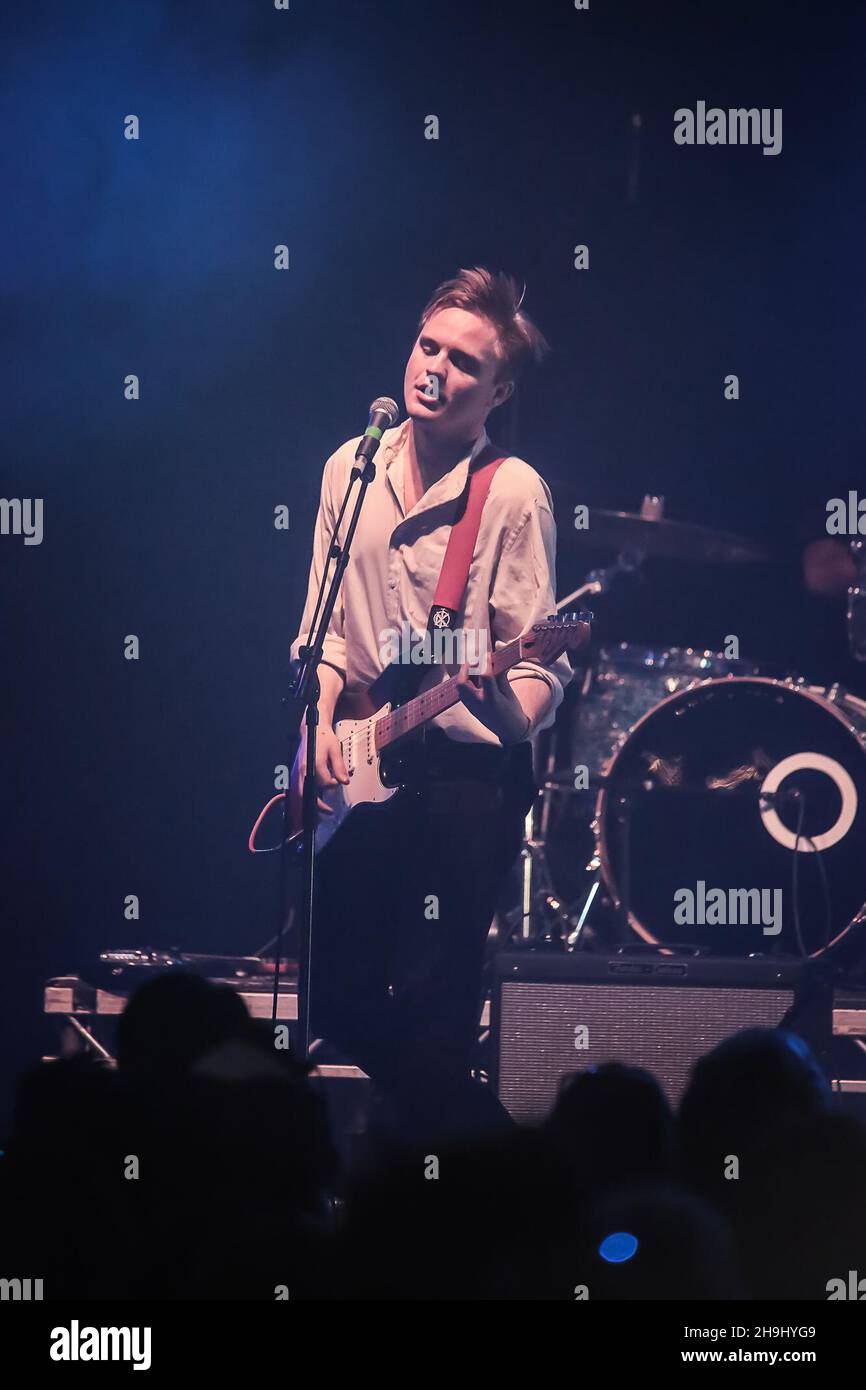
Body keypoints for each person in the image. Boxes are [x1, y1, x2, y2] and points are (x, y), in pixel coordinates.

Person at [291, 267, 570, 1139]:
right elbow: (325, 630)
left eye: (462, 362)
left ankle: (459, 1189)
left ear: (498, 391)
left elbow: (536, 668)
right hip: (363, 760)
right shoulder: (353, 464)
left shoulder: (514, 493)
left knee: (434, 1003)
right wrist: (316, 723)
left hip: (465, 781)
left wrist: (501, 709)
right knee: (330, 990)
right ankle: (479, 1149)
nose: (434, 369)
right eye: (428, 347)